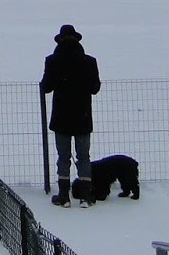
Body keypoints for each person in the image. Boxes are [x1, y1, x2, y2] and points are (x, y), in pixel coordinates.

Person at [41, 24, 99, 207]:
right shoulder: (89, 61)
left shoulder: (52, 61)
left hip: (61, 116)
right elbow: (95, 88)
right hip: (82, 115)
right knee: (83, 156)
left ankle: (64, 195)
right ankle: (85, 195)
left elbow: (46, 87)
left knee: (63, 156)